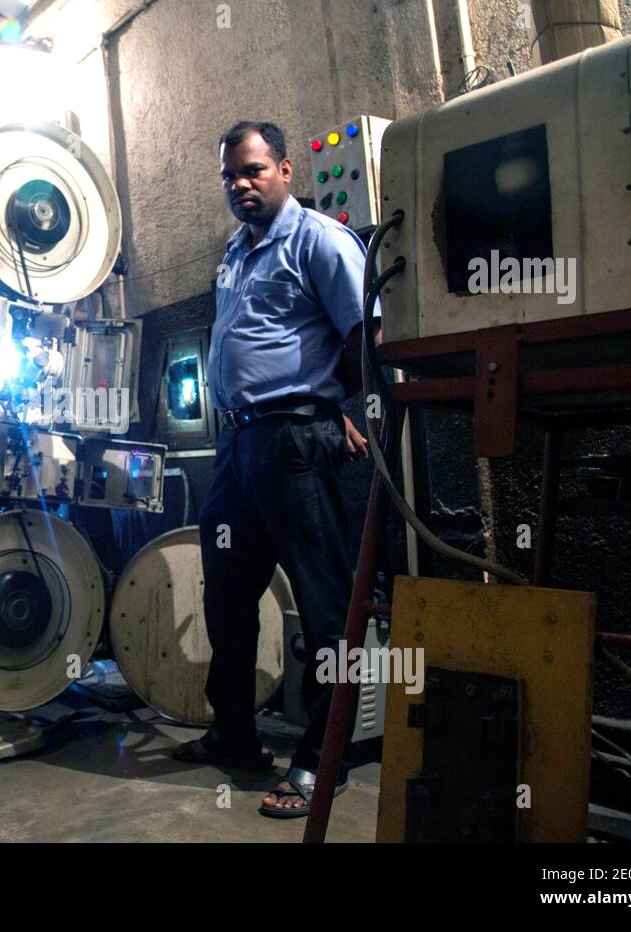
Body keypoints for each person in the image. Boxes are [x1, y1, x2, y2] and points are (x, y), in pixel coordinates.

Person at [171, 121, 375, 819]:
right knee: (228, 598)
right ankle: (234, 734)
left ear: (286, 170)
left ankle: (324, 760)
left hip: (291, 445)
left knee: (325, 608)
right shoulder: (236, 251)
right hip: (238, 449)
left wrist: (328, 408)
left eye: (253, 170)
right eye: (230, 175)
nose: (240, 184)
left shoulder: (319, 239)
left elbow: (362, 335)